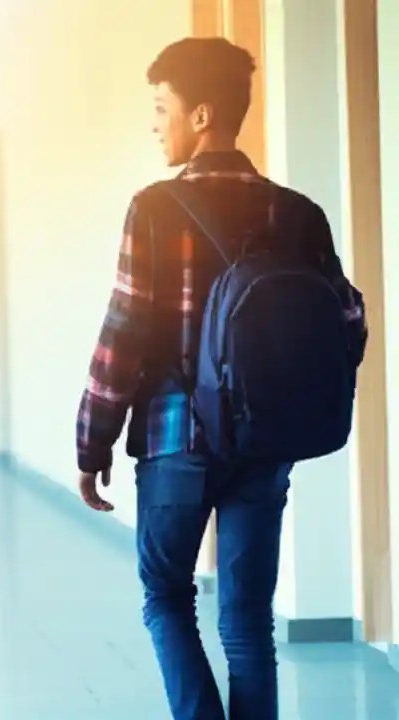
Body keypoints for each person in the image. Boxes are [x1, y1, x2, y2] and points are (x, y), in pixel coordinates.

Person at [74, 38, 367, 720]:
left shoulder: (152, 208)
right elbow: (348, 321)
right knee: (248, 625)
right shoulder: (298, 213)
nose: (155, 125)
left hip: (177, 439)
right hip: (264, 441)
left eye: (160, 109)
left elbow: (122, 333)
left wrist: (93, 446)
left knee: (167, 597)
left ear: (201, 115)